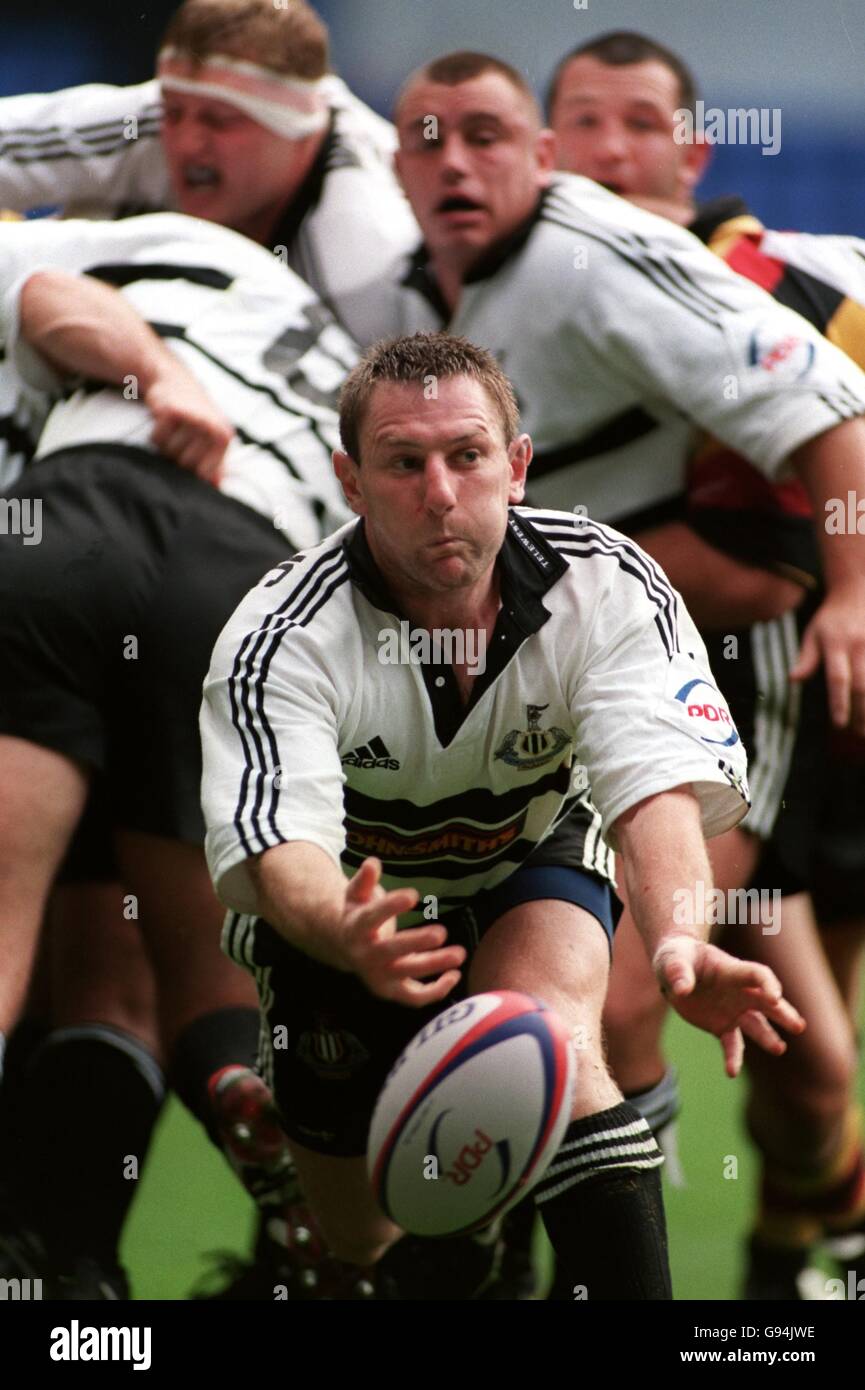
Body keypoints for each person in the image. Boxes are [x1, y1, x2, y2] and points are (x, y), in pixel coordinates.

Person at [200, 330, 805, 1301]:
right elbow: (286, 852)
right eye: (403, 461)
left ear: (515, 466)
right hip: (352, 911)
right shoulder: (280, 633)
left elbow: (651, 787)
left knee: (549, 1039)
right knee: (366, 1239)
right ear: (349, 481)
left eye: (466, 455)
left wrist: (678, 943)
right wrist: (343, 929)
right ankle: (414, 1220)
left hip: (531, 855)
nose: (439, 491)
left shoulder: (605, 583)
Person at [547, 29, 865, 1298]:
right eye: (583, 122)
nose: (611, 149)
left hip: (805, 709)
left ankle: (781, 1264)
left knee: (806, 1069)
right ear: (545, 148)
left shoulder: (789, 284)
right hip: (654, 719)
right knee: (762, 1041)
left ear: (688, 149)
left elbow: (780, 546)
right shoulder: (523, 294)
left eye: (640, 122)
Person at [0, 209, 356, 1297]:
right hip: (250, 585)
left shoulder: (96, 249)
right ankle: (270, 1159)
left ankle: (70, 1271)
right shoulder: (340, 328)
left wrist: (153, 376)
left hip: (66, 530)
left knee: (29, 942)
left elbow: (49, 297)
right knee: (179, 971)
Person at [0, 0, 417, 346]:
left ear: (297, 133)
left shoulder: (368, 255)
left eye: (219, 123)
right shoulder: (149, 122)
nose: (185, 142)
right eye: (174, 111)